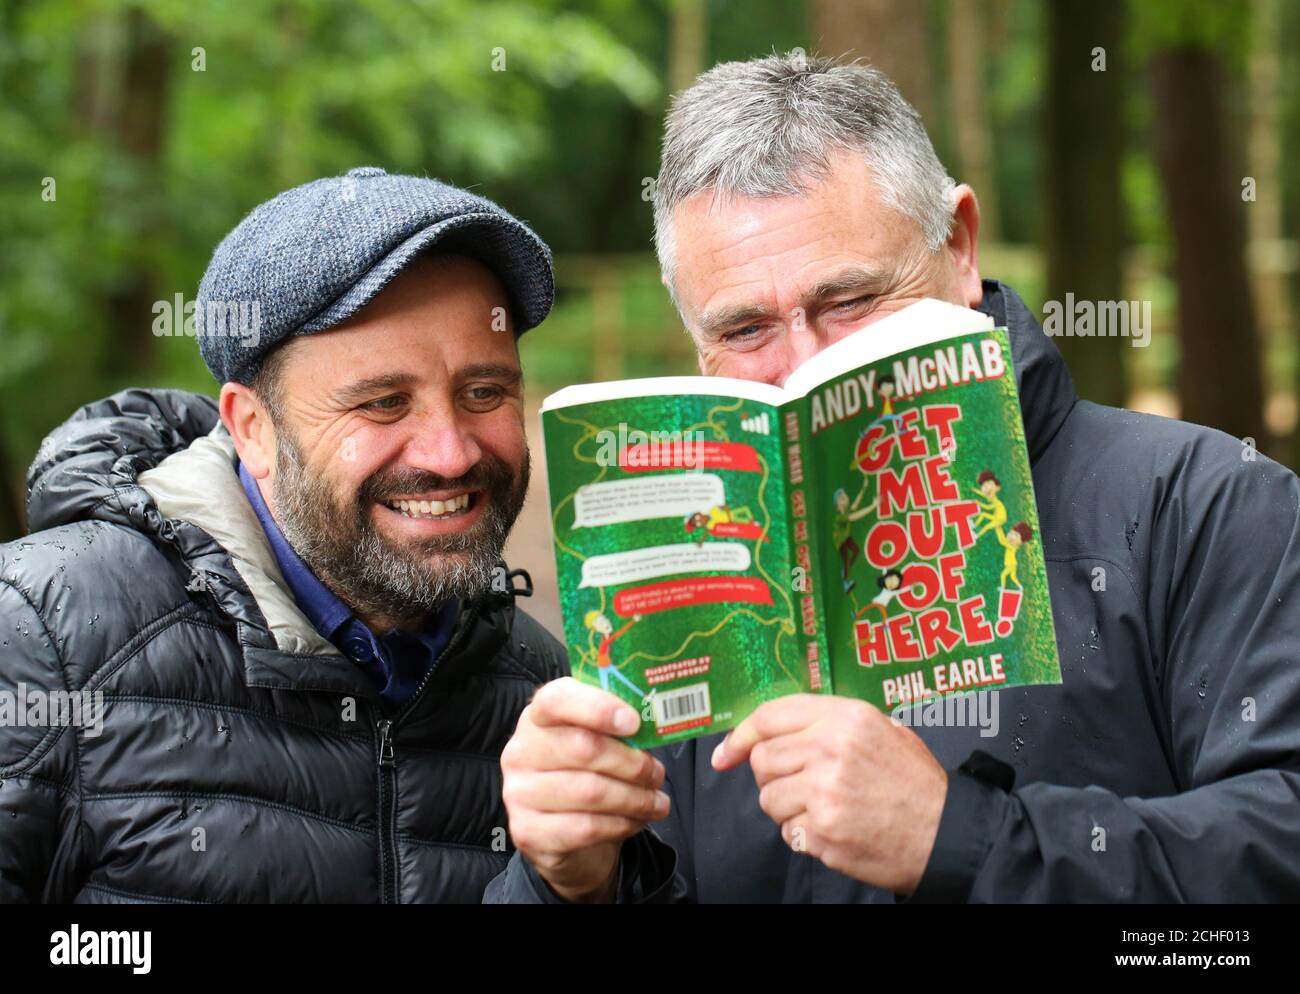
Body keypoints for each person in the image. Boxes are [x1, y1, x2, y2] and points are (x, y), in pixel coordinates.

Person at [488, 54, 1300, 904]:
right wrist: (568, 883)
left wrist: (965, 841)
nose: (804, 367)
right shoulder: (680, 577)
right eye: (746, 329)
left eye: (849, 301)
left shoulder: (1207, 505)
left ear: (958, 244)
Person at [0, 168, 567, 902]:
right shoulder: (40, 639)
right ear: (252, 430)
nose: (451, 453)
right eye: (385, 403)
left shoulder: (550, 692)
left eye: (484, 393)